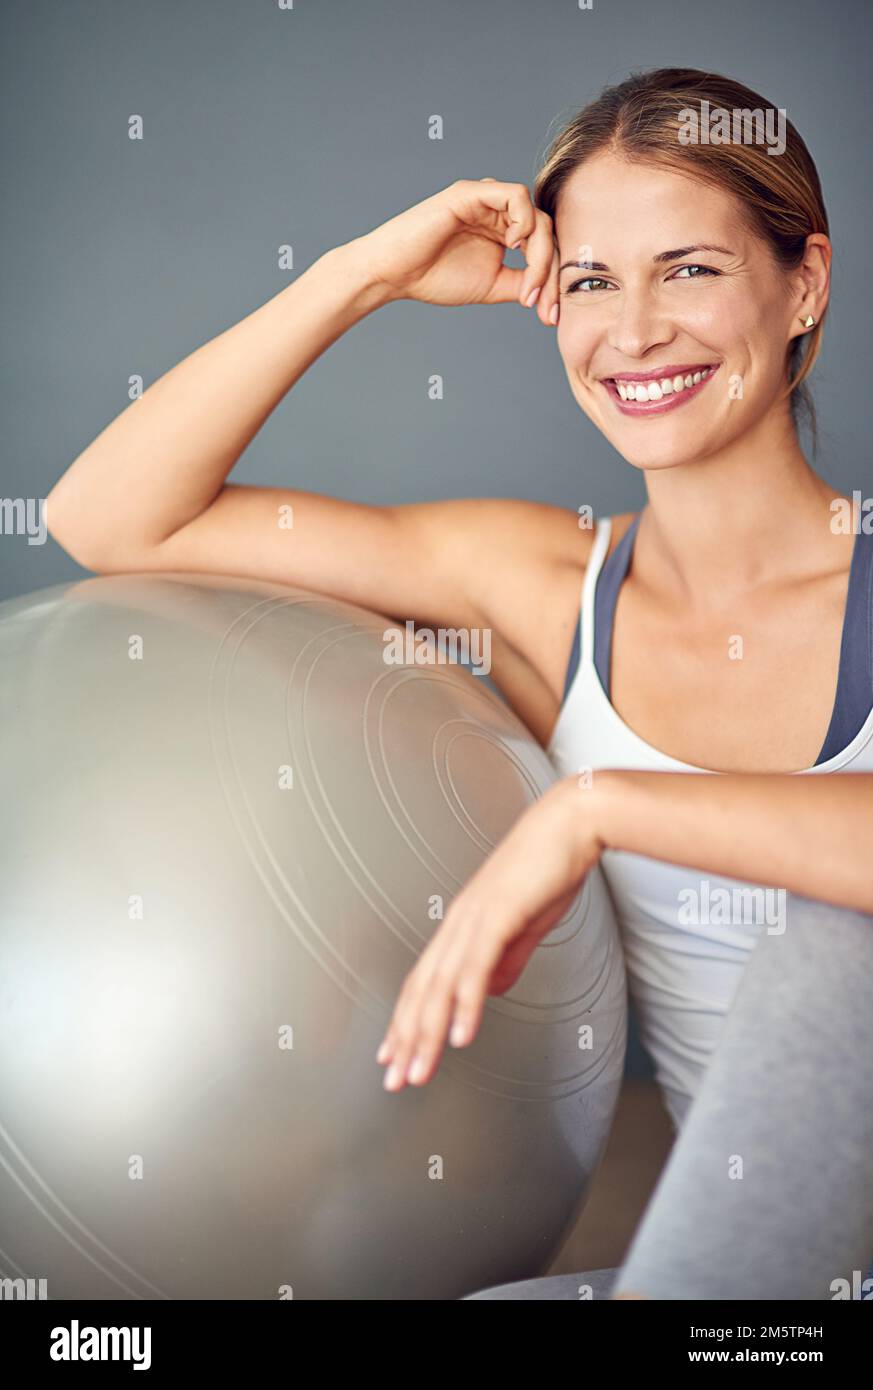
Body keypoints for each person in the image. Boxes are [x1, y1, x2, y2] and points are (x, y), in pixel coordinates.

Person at [46, 66, 873, 1300]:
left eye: (689, 269)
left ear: (802, 283)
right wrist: (363, 275)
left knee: (839, 946)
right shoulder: (541, 586)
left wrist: (600, 809)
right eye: (591, 279)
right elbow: (107, 517)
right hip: (756, 1293)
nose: (634, 331)